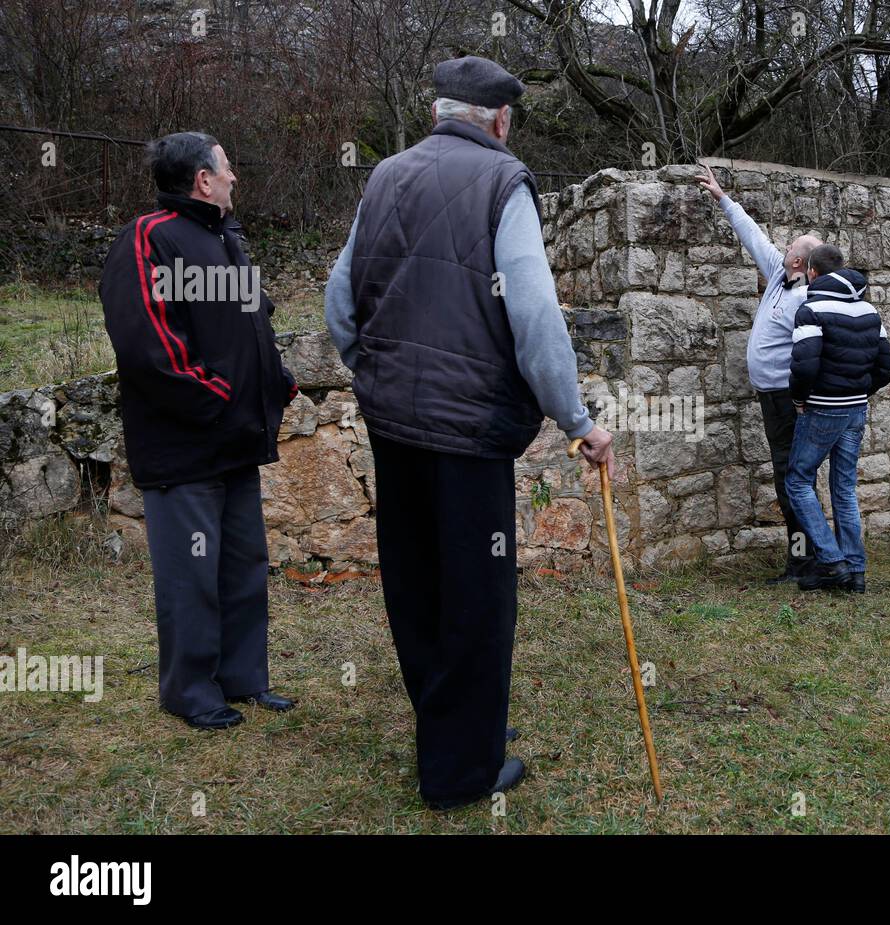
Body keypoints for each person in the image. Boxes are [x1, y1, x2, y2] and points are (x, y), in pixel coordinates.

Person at [325, 56, 615, 810]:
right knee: (477, 598)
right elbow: (535, 315)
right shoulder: (503, 181)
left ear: (437, 113)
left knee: (415, 583)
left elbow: (339, 300)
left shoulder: (385, 176)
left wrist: (373, 369)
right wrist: (577, 419)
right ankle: (461, 769)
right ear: (499, 119)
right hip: (469, 432)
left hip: (394, 424)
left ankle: (442, 732)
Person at [99, 131, 299, 729]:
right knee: (192, 576)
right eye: (228, 169)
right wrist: (217, 398)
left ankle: (242, 679)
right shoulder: (147, 239)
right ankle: (191, 693)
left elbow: (251, 327)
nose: (235, 177)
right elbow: (148, 347)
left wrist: (276, 384)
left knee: (242, 566)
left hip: (237, 440)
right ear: (202, 180)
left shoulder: (226, 238)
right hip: (185, 448)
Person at [695, 163, 823, 583]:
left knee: (793, 479)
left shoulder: (809, 296)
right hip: (770, 397)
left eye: (791, 245)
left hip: (791, 401)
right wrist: (721, 196)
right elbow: (752, 234)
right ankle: (810, 558)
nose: (783, 246)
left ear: (800, 257)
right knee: (788, 475)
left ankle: (806, 562)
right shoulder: (777, 276)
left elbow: (813, 354)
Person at [785, 244, 890, 593]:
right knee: (844, 489)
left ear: (813, 273)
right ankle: (856, 570)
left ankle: (833, 562)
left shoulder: (811, 309)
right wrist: (860, 391)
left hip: (821, 409)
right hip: (855, 410)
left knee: (798, 480)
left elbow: (804, 365)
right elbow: (886, 368)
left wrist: (800, 399)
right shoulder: (869, 311)